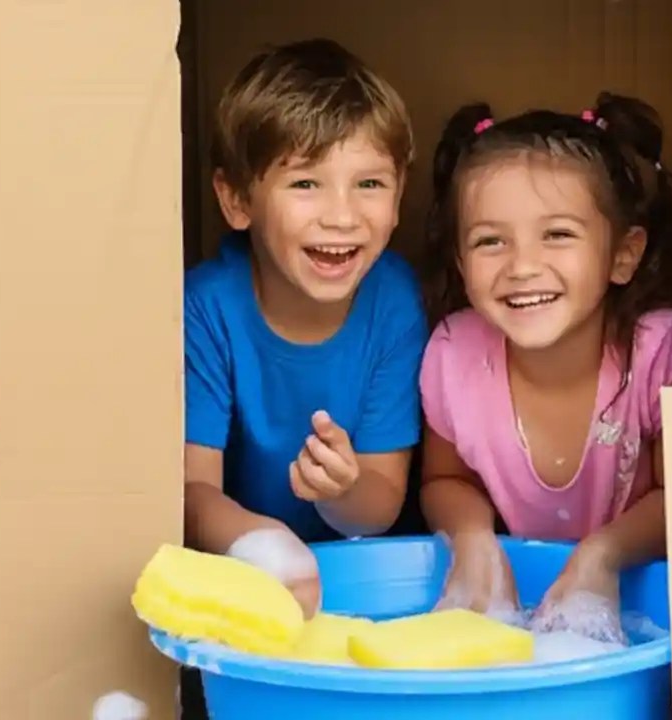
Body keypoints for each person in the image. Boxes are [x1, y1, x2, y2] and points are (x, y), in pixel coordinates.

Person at [417, 92, 672, 642]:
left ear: (623, 254)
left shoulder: (659, 351)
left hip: (643, 588)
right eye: (490, 241)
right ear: (460, 262)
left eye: (558, 235)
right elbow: (443, 479)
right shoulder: (455, 353)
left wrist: (604, 556)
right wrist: (473, 538)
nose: (522, 266)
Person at [182, 37, 425, 619]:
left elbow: (381, 503)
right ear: (238, 200)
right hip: (243, 576)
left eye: (369, 184)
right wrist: (264, 548)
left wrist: (342, 491)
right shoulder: (206, 307)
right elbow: (190, 497)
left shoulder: (393, 300)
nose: (342, 216)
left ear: (399, 197)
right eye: (305, 183)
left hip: (357, 584)